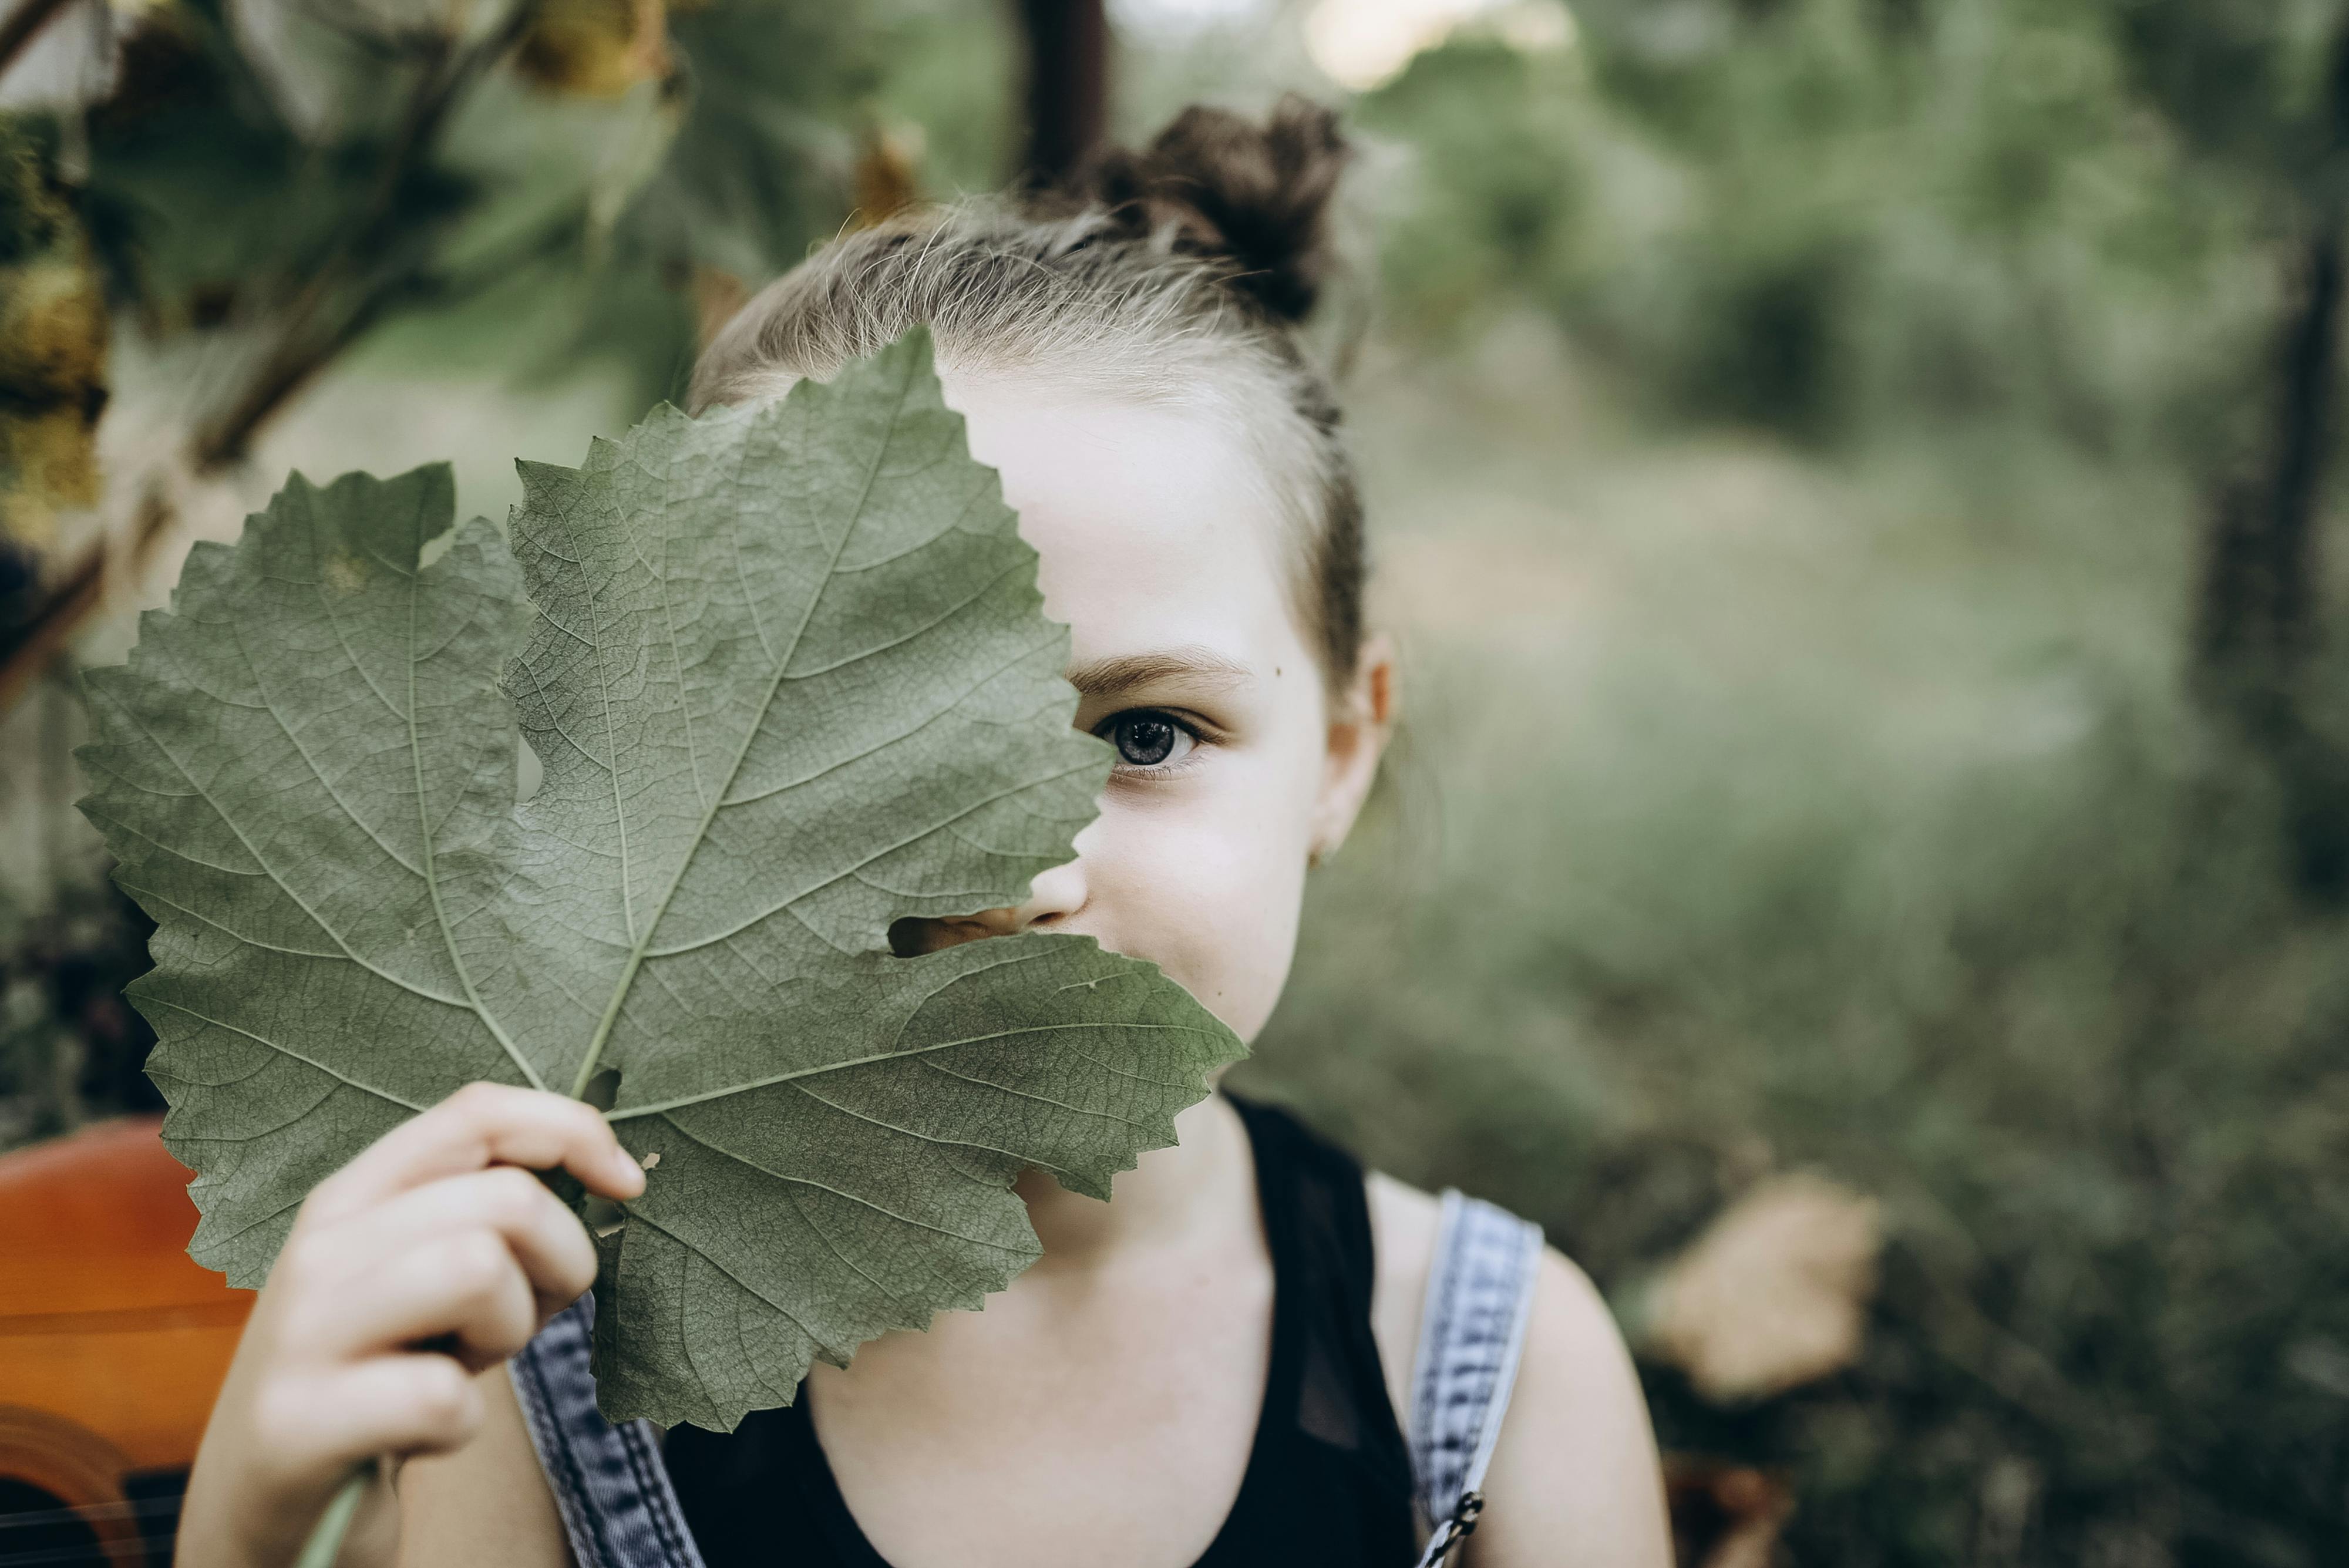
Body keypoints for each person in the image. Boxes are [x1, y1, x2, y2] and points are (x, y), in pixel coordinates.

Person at [171, 97, 1673, 1568]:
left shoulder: (1488, 1373)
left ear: (1342, 750)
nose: (1019, 877)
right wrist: (246, 1530)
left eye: (1142, 738)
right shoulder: (534, 1353)